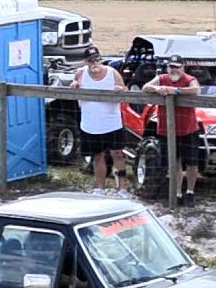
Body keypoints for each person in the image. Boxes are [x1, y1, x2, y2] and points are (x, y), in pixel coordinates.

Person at [142, 54, 202, 206]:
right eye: (171, 67)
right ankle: (176, 193)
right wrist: (158, 89)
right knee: (174, 162)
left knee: (192, 163)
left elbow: (196, 90)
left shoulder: (189, 79)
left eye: (177, 67)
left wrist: (175, 91)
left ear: (183, 68)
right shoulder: (162, 78)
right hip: (167, 130)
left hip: (188, 129)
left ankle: (190, 192)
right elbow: (146, 87)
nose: (174, 70)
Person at [71, 46, 130, 198]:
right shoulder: (81, 73)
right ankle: (100, 188)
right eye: (91, 60)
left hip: (112, 122)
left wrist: (120, 90)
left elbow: (125, 91)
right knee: (97, 156)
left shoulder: (112, 73)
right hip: (90, 123)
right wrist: (74, 86)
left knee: (117, 154)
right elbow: (74, 87)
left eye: (97, 59)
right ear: (86, 62)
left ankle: (122, 188)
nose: (95, 63)